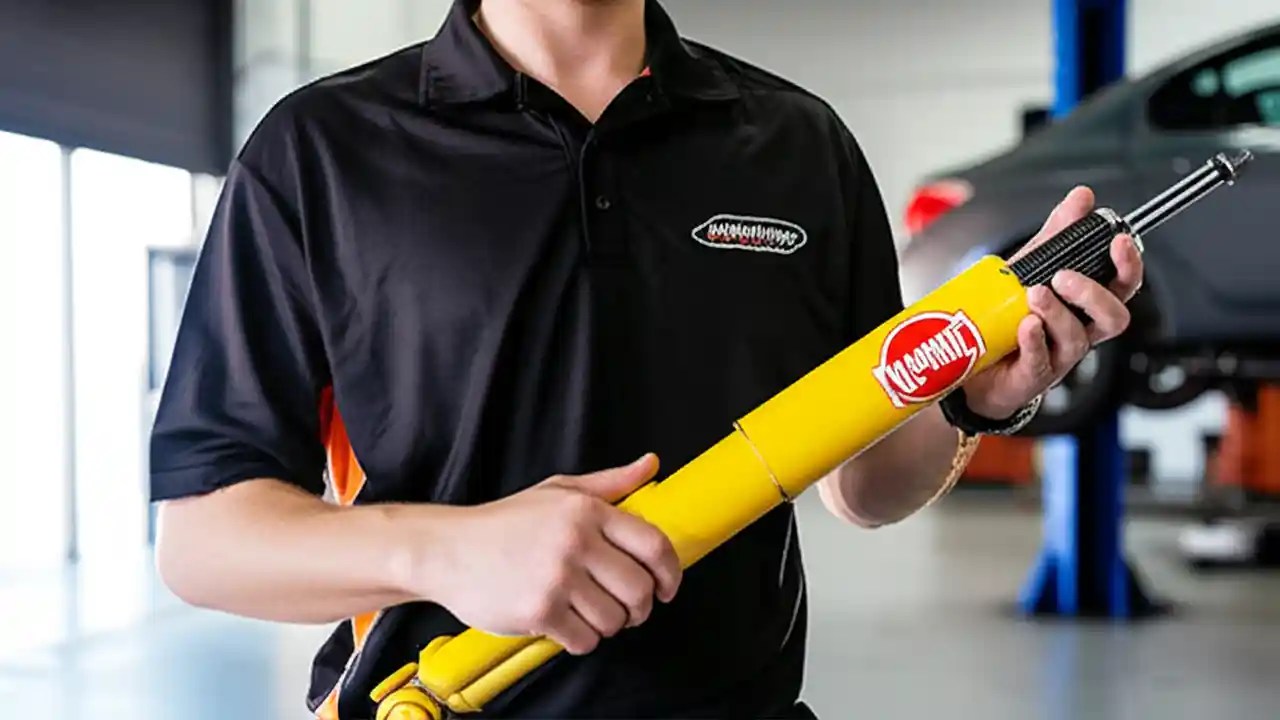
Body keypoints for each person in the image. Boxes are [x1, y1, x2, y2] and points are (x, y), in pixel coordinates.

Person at [148, 0, 1144, 718]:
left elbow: (865, 486)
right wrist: (444, 551)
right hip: (434, 705)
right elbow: (204, 541)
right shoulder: (322, 152)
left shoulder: (796, 145)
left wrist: (968, 404)